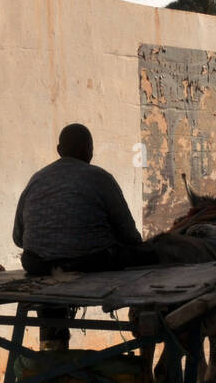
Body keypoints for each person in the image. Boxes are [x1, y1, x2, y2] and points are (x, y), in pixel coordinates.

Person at [12, 123, 158, 349]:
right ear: (88, 150)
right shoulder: (100, 178)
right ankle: (148, 326)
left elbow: (18, 238)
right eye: (90, 148)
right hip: (91, 262)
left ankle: (52, 344)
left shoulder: (36, 179)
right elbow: (129, 235)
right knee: (149, 254)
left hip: (38, 265)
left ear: (59, 150)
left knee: (54, 271)